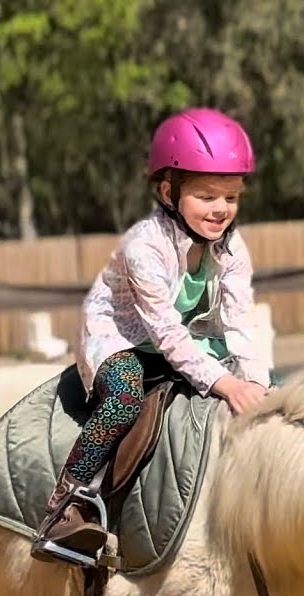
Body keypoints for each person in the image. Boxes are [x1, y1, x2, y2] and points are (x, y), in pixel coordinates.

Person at [32, 108, 273, 564]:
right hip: (122, 338)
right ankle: (67, 504)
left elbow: (240, 321)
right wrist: (225, 383)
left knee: (266, 390)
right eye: (205, 195)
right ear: (168, 191)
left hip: (185, 336)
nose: (221, 209)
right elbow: (165, 333)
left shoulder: (232, 247)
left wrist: (255, 382)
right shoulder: (144, 245)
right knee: (123, 398)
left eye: (231, 197)